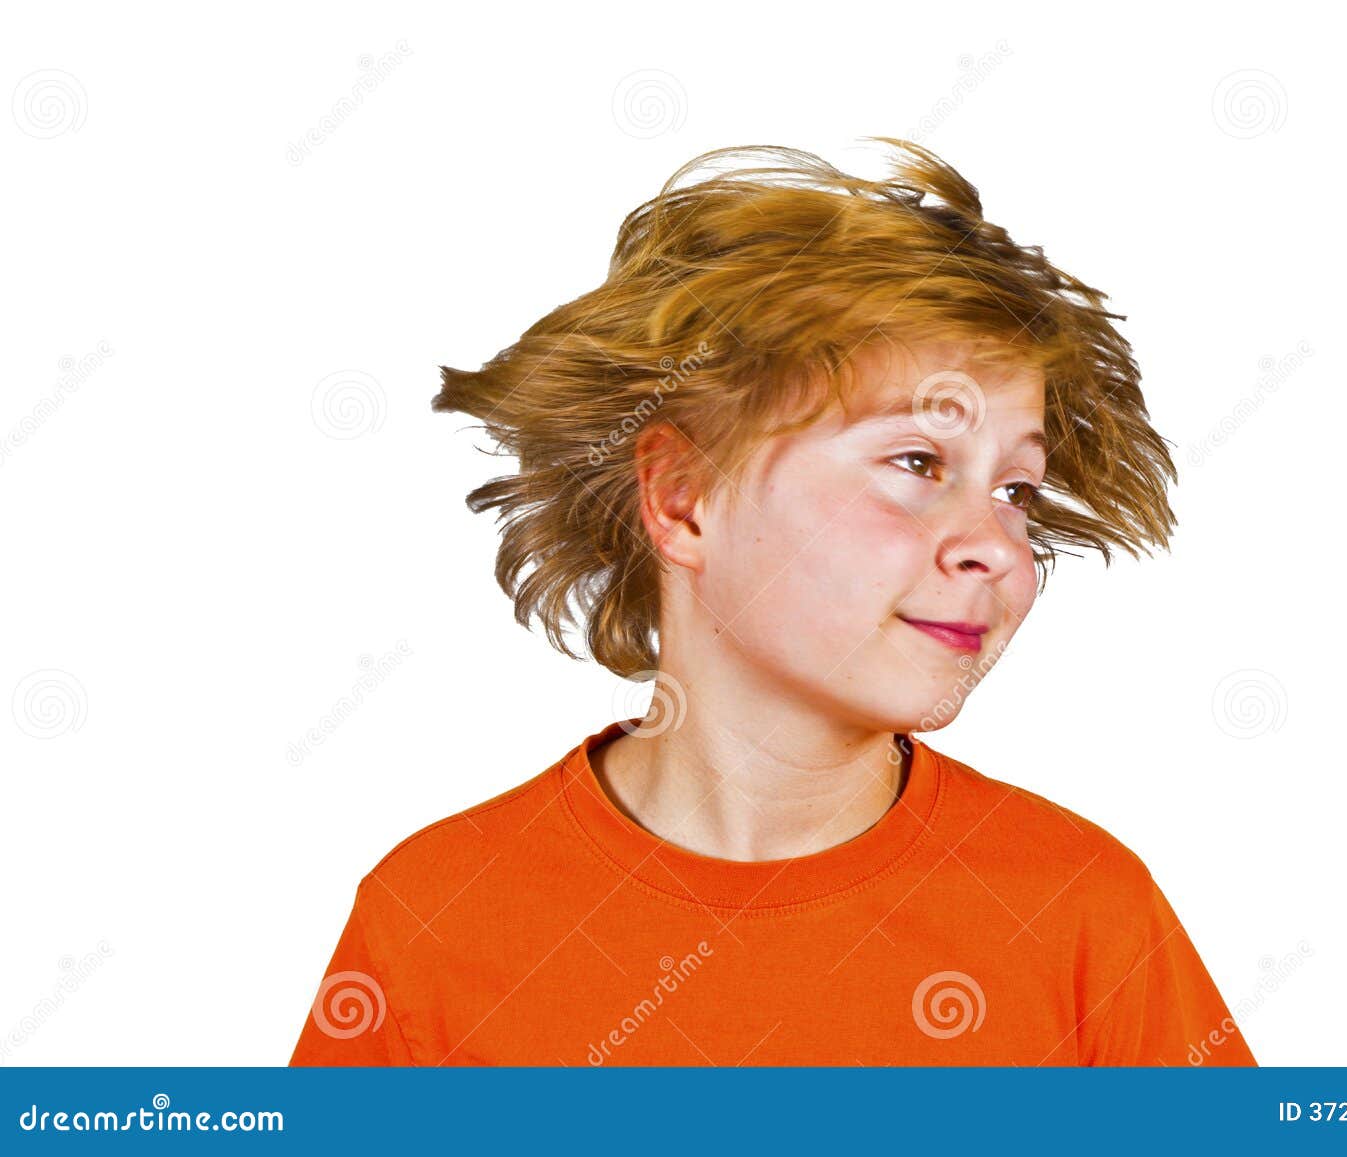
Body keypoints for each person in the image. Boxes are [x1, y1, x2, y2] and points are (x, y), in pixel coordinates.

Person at [289, 138, 1257, 1067]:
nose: (996, 546)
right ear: (683, 497)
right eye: (916, 462)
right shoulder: (439, 913)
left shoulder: (1079, 909)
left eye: (1016, 490)